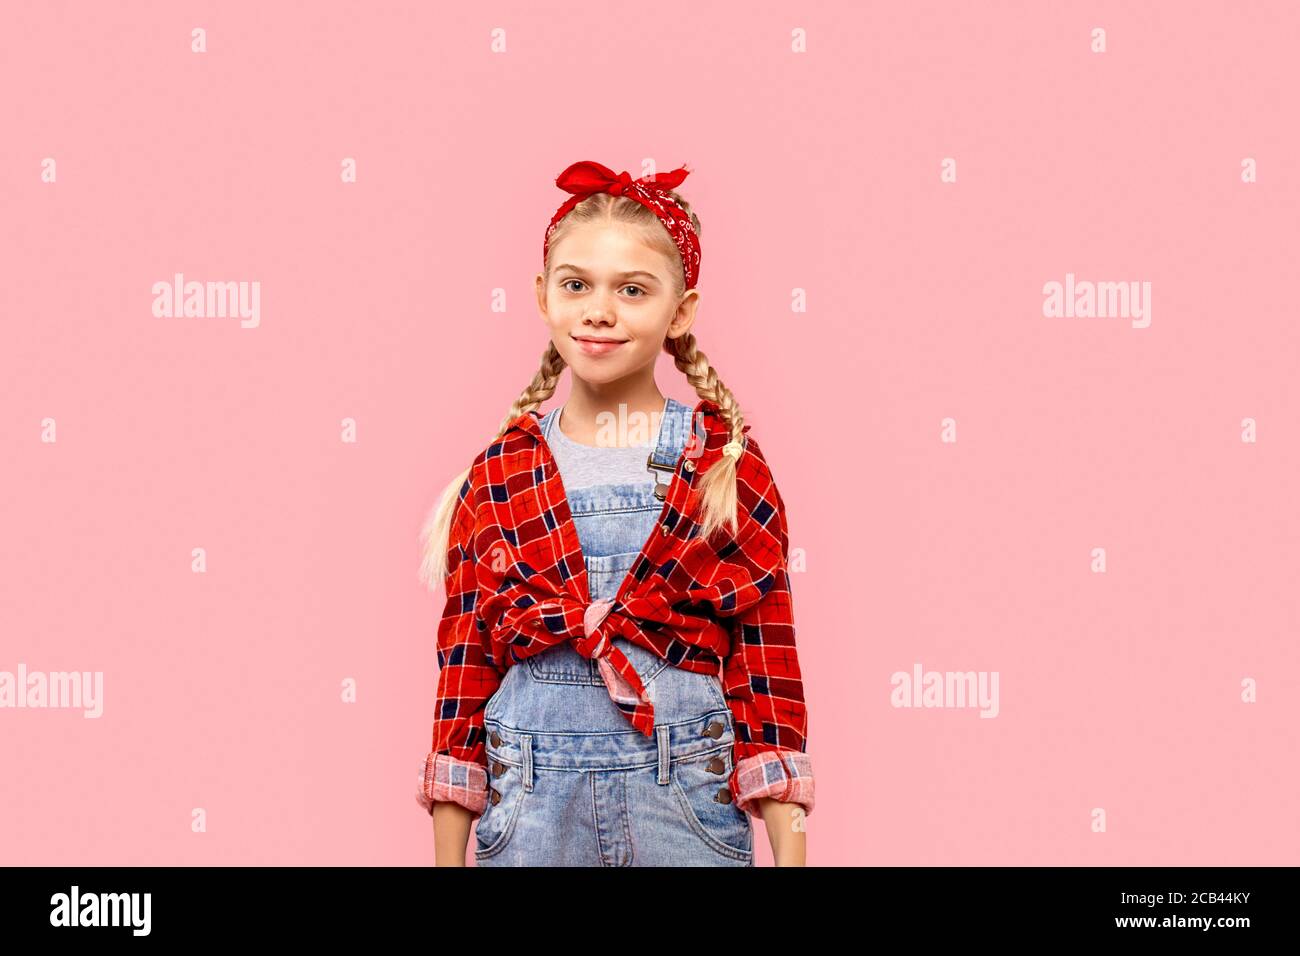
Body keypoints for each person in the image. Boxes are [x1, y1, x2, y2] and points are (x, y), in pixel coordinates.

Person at [415, 160, 815, 866]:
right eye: (577, 285)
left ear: (680, 311)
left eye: (632, 290)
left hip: (684, 810)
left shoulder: (721, 467)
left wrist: (792, 850)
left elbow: (765, 669)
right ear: (544, 297)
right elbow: (463, 676)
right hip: (531, 817)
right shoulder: (500, 474)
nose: (599, 311)